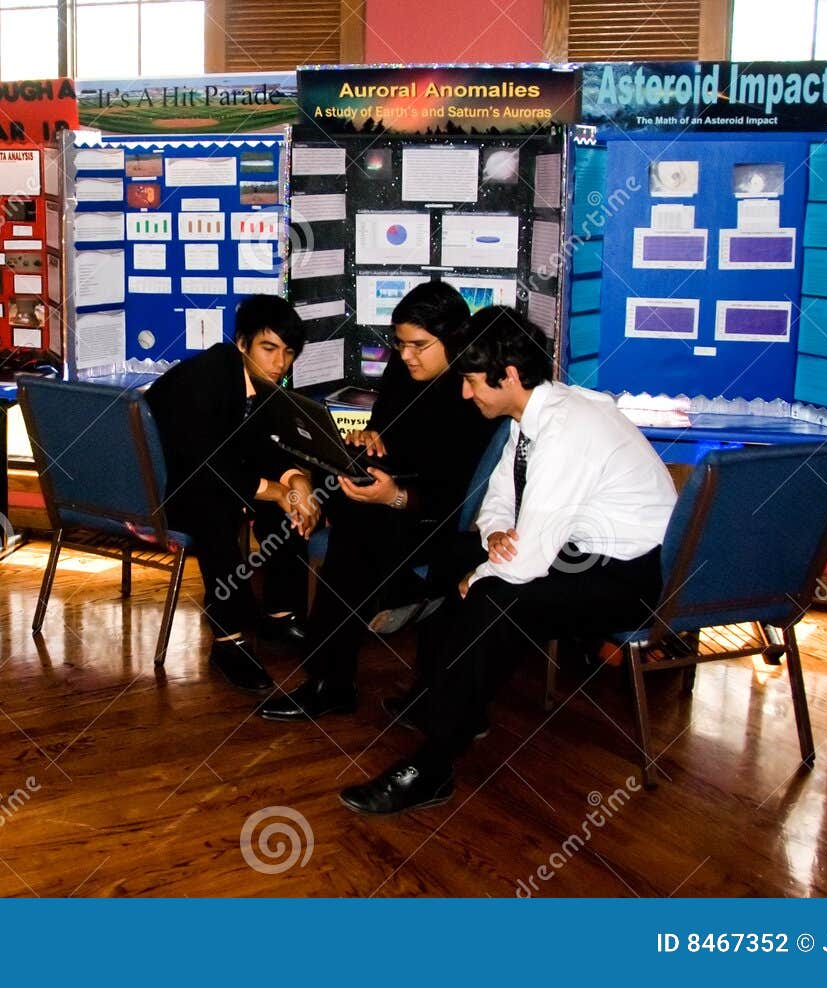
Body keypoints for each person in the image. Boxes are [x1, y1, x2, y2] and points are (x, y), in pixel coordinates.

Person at [340, 307, 678, 816]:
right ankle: (449, 698)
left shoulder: (567, 429)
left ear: (511, 376)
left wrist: (478, 575)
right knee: (451, 550)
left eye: (474, 381)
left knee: (491, 598)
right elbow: (497, 502)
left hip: (624, 576)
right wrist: (495, 536)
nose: (466, 393)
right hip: (574, 551)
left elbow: (530, 560)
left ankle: (433, 767)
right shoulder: (531, 415)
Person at [260, 282, 496, 721]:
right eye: (400, 344)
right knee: (302, 505)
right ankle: (312, 626)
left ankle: (331, 681)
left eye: (420, 346)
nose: (406, 356)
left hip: (434, 514)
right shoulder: (404, 371)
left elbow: (461, 495)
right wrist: (371, 437)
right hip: (387, 489)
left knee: (355, 535)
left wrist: (395, 496)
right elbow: (389, 432)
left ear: (456, 339)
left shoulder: (473, 392)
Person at [145, 294, 322, 695]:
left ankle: (279, 614)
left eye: (288, 353)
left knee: (282, 505)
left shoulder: (255, 382)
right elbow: (202, 460)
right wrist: (273, 489)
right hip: (156, 488)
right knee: (219, 507)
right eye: (269, 348)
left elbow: (260, 448)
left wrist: (296, 483)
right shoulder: (211, 373)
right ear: (242, 343)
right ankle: (227, 642)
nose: (279, 363)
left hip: (199, 478)